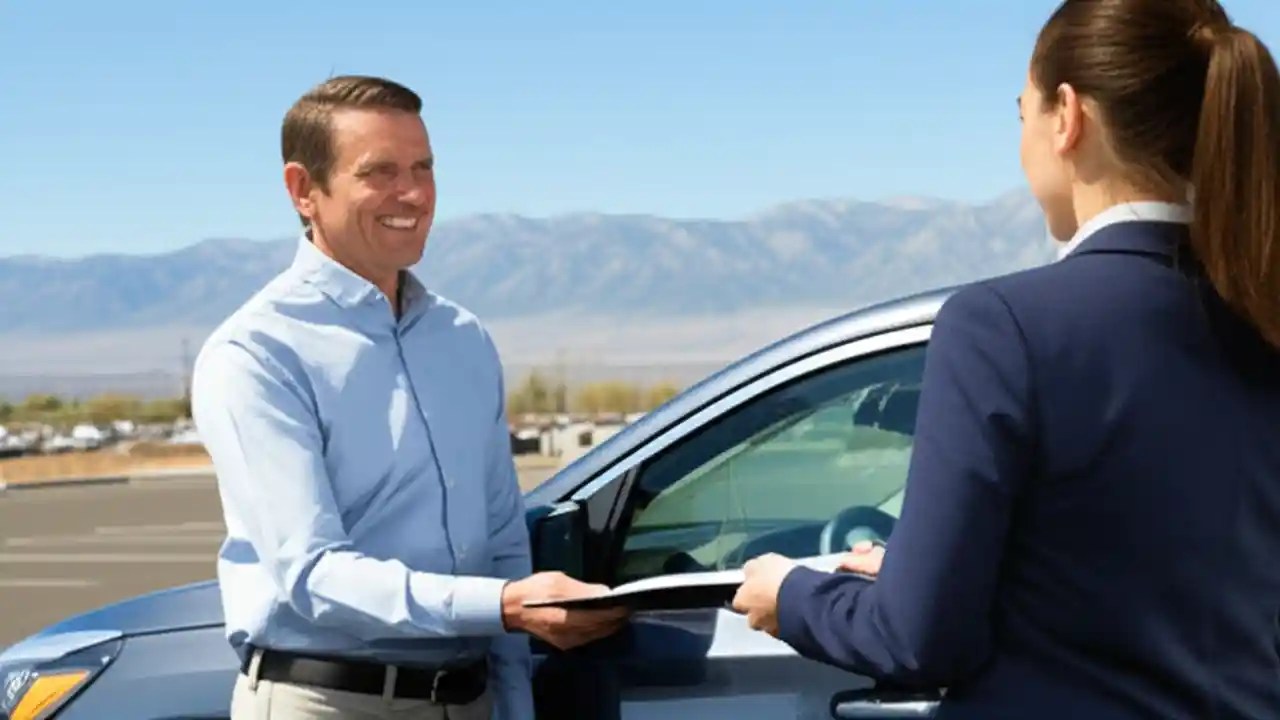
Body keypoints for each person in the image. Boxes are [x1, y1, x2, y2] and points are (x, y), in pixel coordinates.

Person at [731, 1, 1280, 718]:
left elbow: (916, 639)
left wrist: (793, 593)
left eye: (1019, 112)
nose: (1020, 141)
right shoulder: (1258, 320)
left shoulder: (1001, 328)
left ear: (1067, 115)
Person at [191, 75, 626, 720]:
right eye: (381, 172)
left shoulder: (463, 339)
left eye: (424, 168)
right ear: (303, 190)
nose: (414, 194)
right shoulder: (256, 354)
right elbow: (312, 575)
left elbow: (503, 540)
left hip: (470, 698)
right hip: (328, 704)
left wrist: (512, 703)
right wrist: (503, 606)